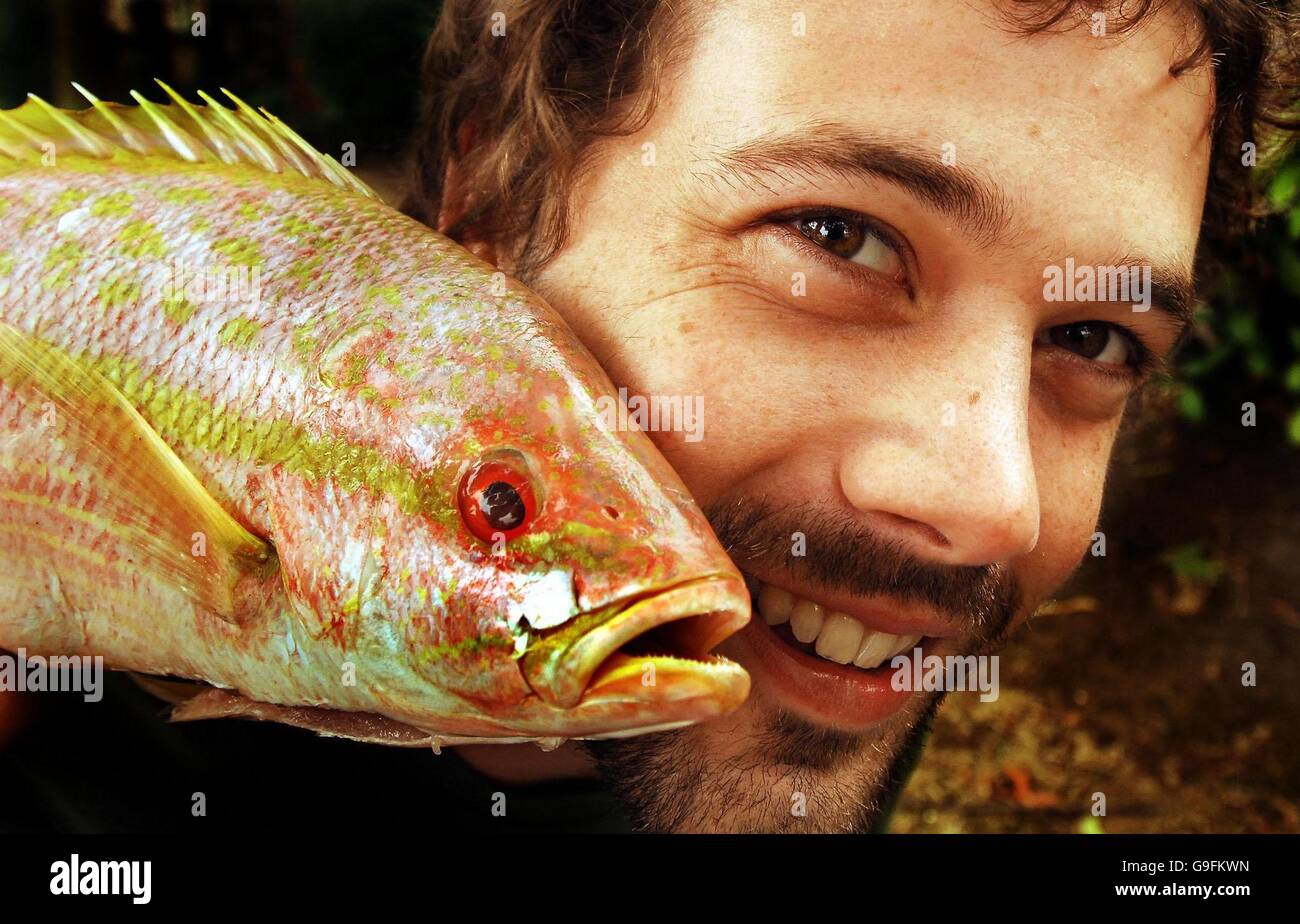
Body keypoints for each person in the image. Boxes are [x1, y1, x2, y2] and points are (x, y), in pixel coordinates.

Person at [2, 0, 1296, 834]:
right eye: (837, 234)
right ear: (494, 199)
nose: (989, 503)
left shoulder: (786, 658)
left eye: (1092, 338)